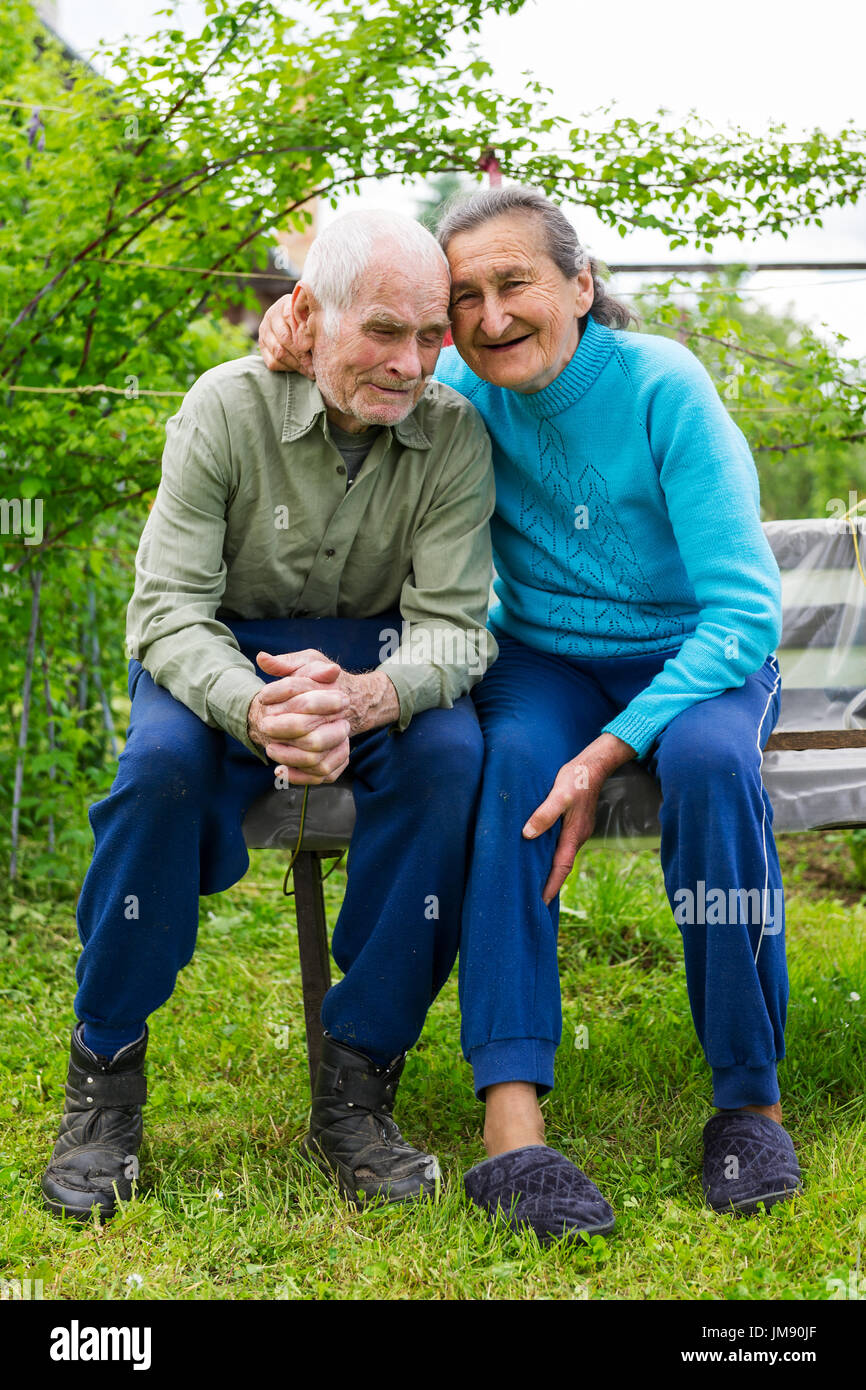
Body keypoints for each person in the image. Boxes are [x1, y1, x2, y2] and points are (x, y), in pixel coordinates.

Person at [258, 186, 802, 1243]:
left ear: (580, 287)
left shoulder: (664, 389)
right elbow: (368, 359)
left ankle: (749, 1100)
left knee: (707, 768)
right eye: (465, 297)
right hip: (544, 660)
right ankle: (511, 1125)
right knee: (507, 769)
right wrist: (298, 318)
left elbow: (741, 614)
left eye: (516, 285)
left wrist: (605, 754)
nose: (490, 315)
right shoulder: (455, 382)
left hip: (693, 658)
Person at [41, 209, 498, 1220]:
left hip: (375, 664)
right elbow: (165, 611)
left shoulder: (452, 435)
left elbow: (457, 631)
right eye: (383, 330)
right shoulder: (224, 409)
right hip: (221, 656)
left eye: (430, 337)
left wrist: (370, 695)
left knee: (449, 763)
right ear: (305, 312)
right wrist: (256, 709)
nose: (411, 362)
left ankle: (356, 1089)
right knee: (156, 771)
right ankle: (104, 1079)